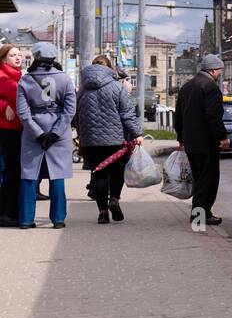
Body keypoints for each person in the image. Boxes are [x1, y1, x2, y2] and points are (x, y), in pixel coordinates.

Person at [14, 42, 76, 229]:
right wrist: (56, 132)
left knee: (29, 175)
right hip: (59, 132)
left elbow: (23, 113)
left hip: (33, 132)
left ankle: (25, 219)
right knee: (57, 176)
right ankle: (58, 219)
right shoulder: (65, 79)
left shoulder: (26, 80)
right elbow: (70, 110)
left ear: (35, 57)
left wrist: (39, 134)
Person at [77, 55, 142, 224]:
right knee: (116, 172)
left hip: (90, 139)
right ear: (110, 68)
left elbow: (76, 114)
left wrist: (81, 134)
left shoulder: (82, 88)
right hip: (116, 139)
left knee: (98, 174)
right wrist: (137, 133)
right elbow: (127, 114)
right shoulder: (117, 87)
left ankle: (102, 212)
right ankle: (114, 199)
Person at [176, 54, 229, 226]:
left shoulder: (186, 87)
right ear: (213, 70)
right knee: (207, 181)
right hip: (206, 144)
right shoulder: (210, 88)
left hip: (191, 143)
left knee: (199, 179)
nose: (220, 74)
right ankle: (200, 217)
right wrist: (222, 137)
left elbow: (178, 117)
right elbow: (214, 117)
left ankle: (202, 214)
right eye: (219, 70)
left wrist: (181, 138)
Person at [0, 44, 24, 226]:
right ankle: (6, 213)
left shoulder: (17, 76)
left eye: (19, 54)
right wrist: (3, 106)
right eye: (12, 55)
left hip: (16, 129)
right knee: (9, 171)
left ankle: (11, 211)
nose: (18, 58)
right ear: (3, 59)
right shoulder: (3, 77)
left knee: (13, 171)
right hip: (5, 129)